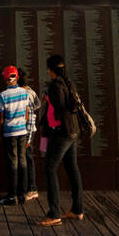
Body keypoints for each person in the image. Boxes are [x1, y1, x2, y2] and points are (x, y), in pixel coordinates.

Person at [37, 54, 84, 226]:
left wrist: (47, 99)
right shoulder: (68, 83)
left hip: (61, 133)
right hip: (73, 132)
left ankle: (54, 213)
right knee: (72, 169)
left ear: (51, 69)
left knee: (49, 169)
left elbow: (59, 110)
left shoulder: (56, 87)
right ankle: (77, 210)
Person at [0, 66, 31, 206]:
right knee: (23, 161)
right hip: (22, 131)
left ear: (5, 78)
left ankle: (12, 196)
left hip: (9, 132)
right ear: (16, 77)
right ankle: (22, 195)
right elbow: (27, 114)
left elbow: (1, 118)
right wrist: (21, 123)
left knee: (12, 163)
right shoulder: (24, 92)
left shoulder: (2, 95)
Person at [21, 75, 40, 202]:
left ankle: (31, 189)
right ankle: (31, 188)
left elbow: (30, 116)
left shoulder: (24, 94)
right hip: (30, 131)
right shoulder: (31, 91)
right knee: (28, 160)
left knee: (27, 160)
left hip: (26, 132)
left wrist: (27, 138)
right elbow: (38, 104)